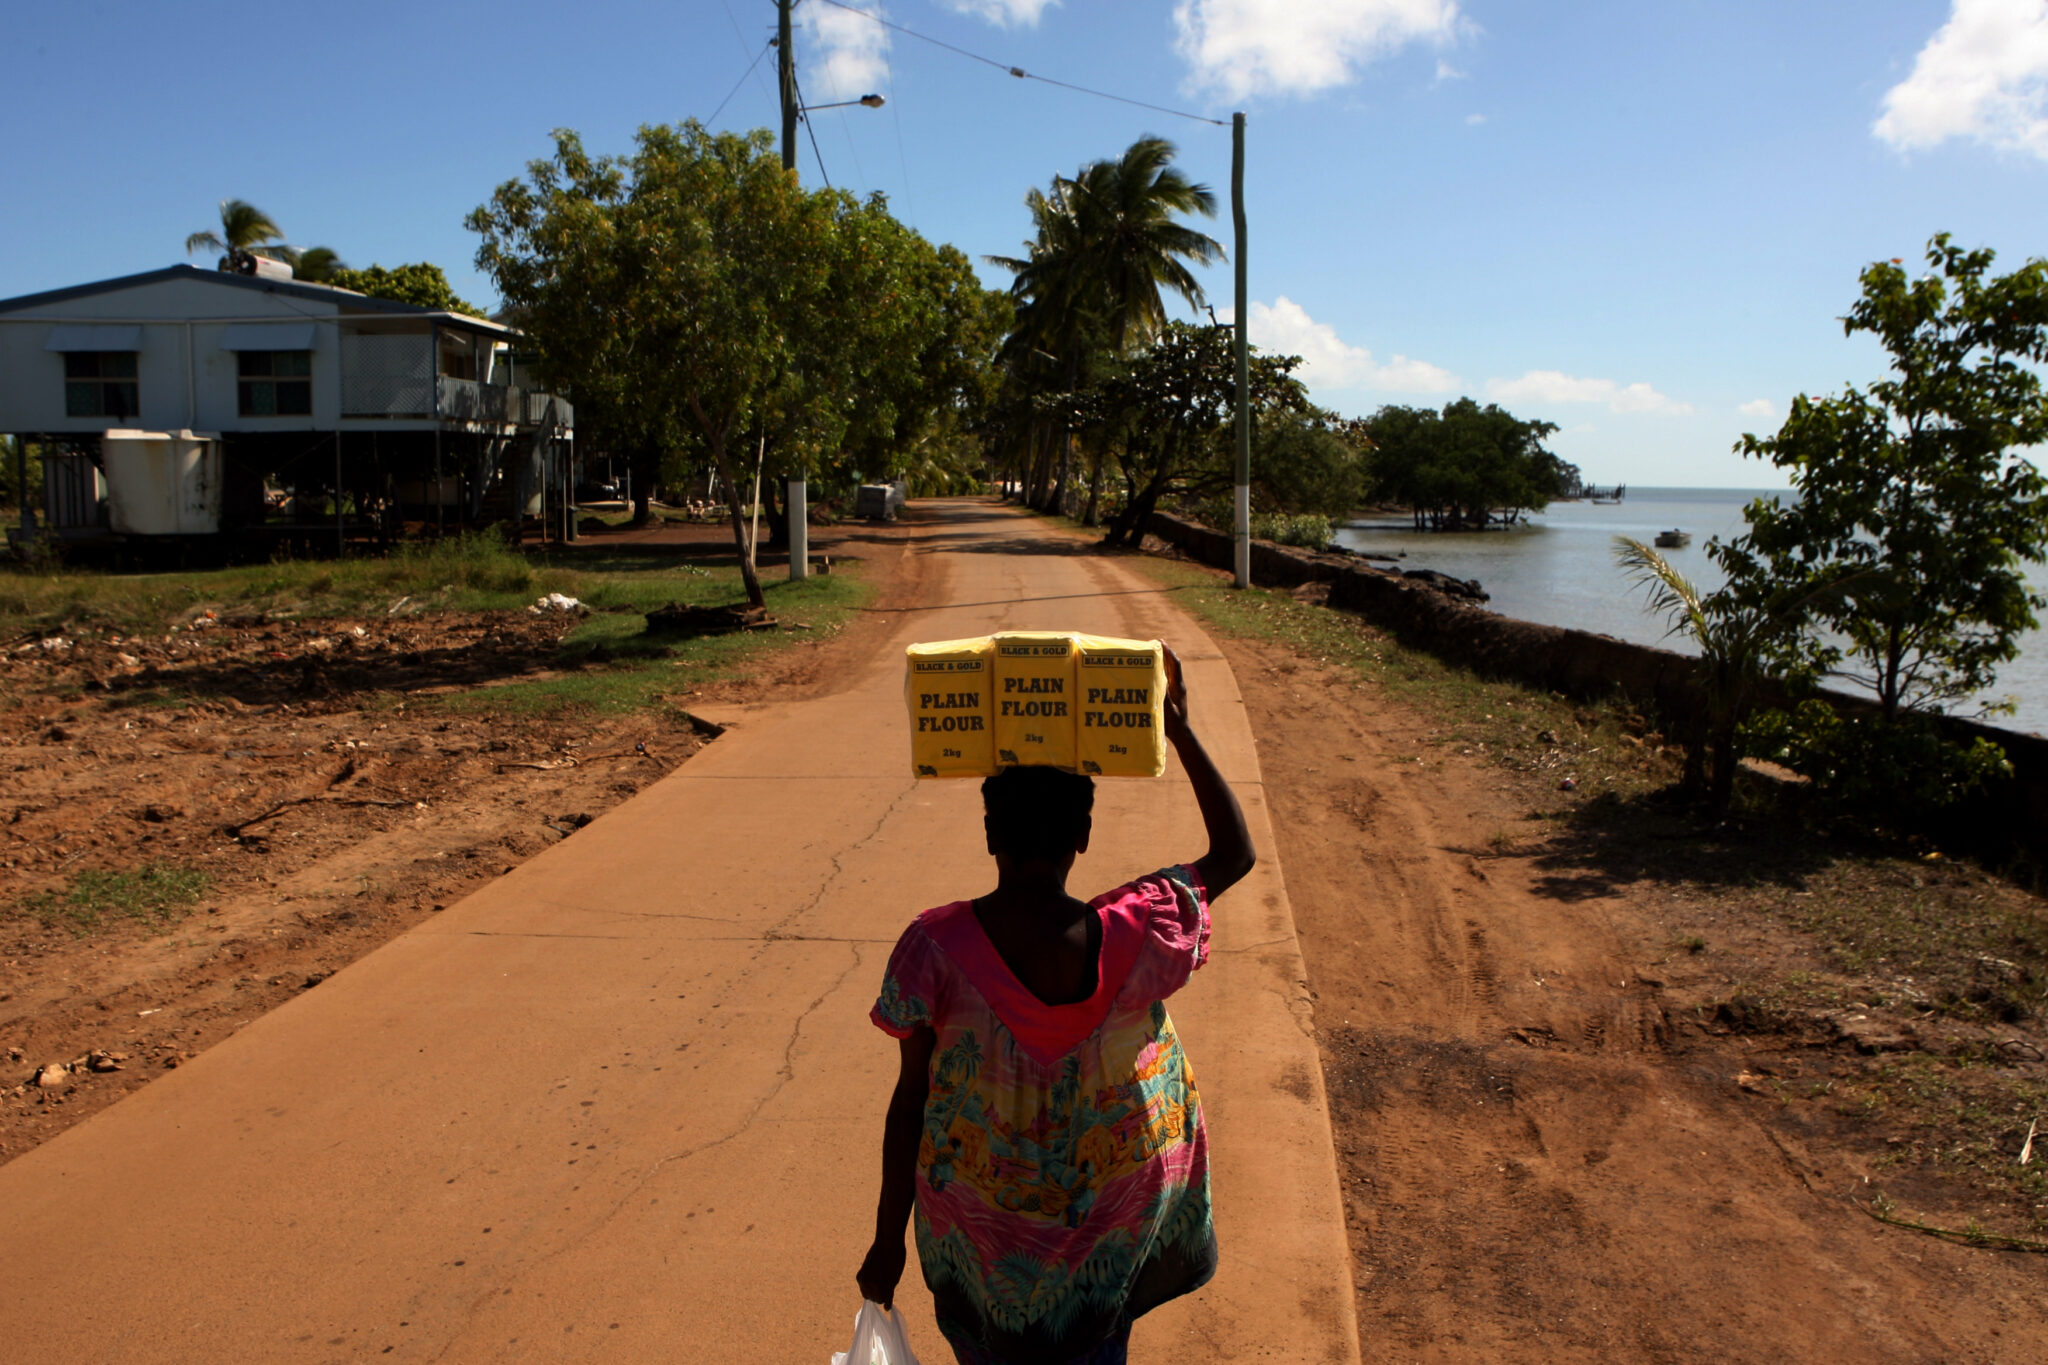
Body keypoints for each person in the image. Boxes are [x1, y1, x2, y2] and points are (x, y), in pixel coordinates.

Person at [858, 645, 1255, 1365]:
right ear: (1083, 835)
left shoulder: (933, 947)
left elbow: (910, 1100)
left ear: (989, 834)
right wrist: (1177, 728)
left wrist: (888, 1241)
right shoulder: (1139, 928)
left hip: (977, 1247)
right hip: (1105, 1240)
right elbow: (1234, 852)